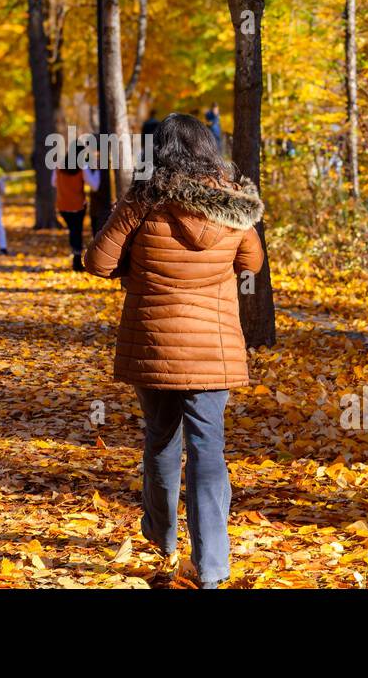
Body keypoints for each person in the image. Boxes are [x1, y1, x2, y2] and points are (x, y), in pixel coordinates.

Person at [83, 113, 264, 589]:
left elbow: (98, 263)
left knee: (161, 439)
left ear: (158, 150)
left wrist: (132, 264)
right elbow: (253, 262)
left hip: (154, 343)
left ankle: (161, 537)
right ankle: (213, 567)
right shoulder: (233, 201)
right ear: (207, 147)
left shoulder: (142, 198)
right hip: (214, 347)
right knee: (209, 449)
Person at [53, 146, 100, 271]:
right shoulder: (82, 168)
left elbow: (53, 182)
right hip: (78, 205)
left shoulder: (58, 166)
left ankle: (76, 257)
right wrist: (98, 171)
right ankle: (76, 260)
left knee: (73, 230)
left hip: (62, 205)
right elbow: (94, 186)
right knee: (76, 230)